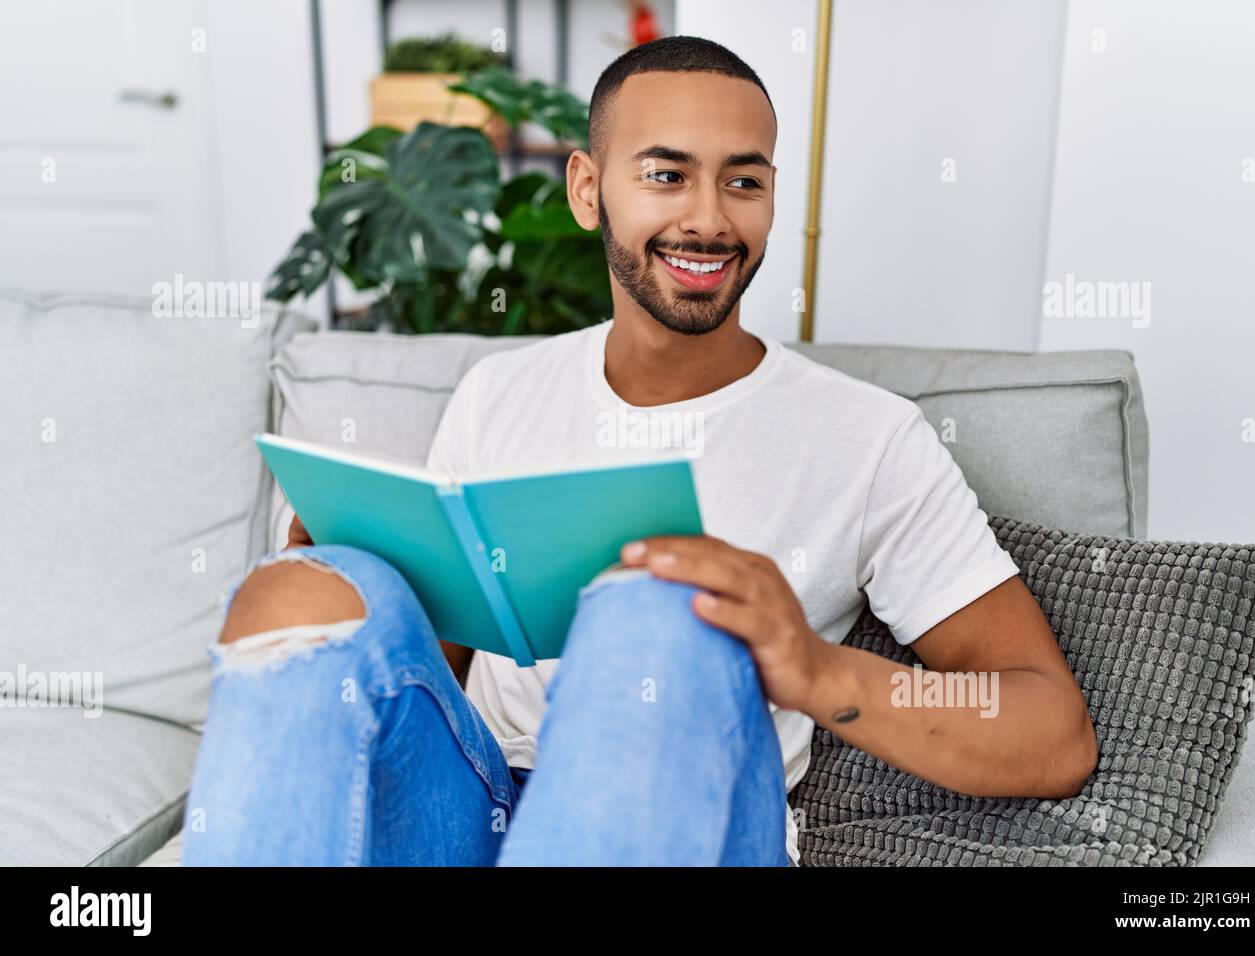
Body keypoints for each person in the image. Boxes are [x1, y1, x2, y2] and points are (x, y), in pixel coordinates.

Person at [182, 35, 1097, 867]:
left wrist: (818, 673)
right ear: (589, 189)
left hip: (692, 815)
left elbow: (1051, 729)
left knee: (658, 606)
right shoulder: (500, 393)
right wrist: (374, 588)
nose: (709, 220)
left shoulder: (869, 437)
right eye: (666, 176)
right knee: (301, 592)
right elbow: (448, 680)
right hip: (481, 806)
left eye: (744, 181)